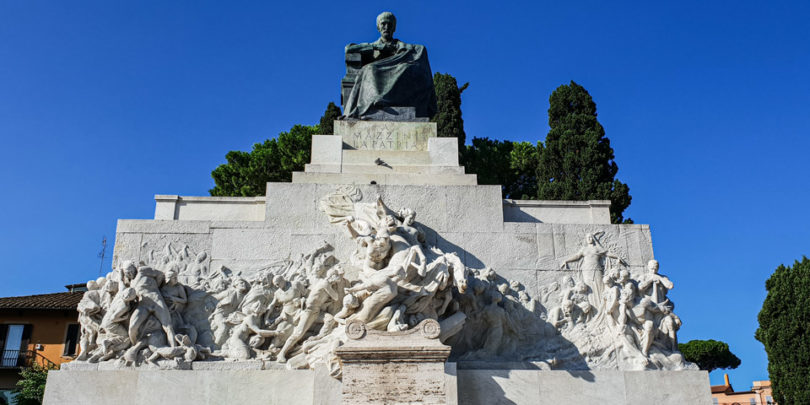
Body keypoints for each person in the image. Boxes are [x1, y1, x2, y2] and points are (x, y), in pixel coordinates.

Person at [342, 11, 436, 119]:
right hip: (376, 75)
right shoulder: (373, 47)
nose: (386, 27)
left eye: (389, 24)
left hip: (399, 77)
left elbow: (418, 50)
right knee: (370, 69)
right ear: (378, 27)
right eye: (383, 24)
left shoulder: (401, 46)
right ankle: (377, 99)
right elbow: (348, 49)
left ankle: (385, 99)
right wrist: (375, 47)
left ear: (394, 28)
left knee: (406, 67)